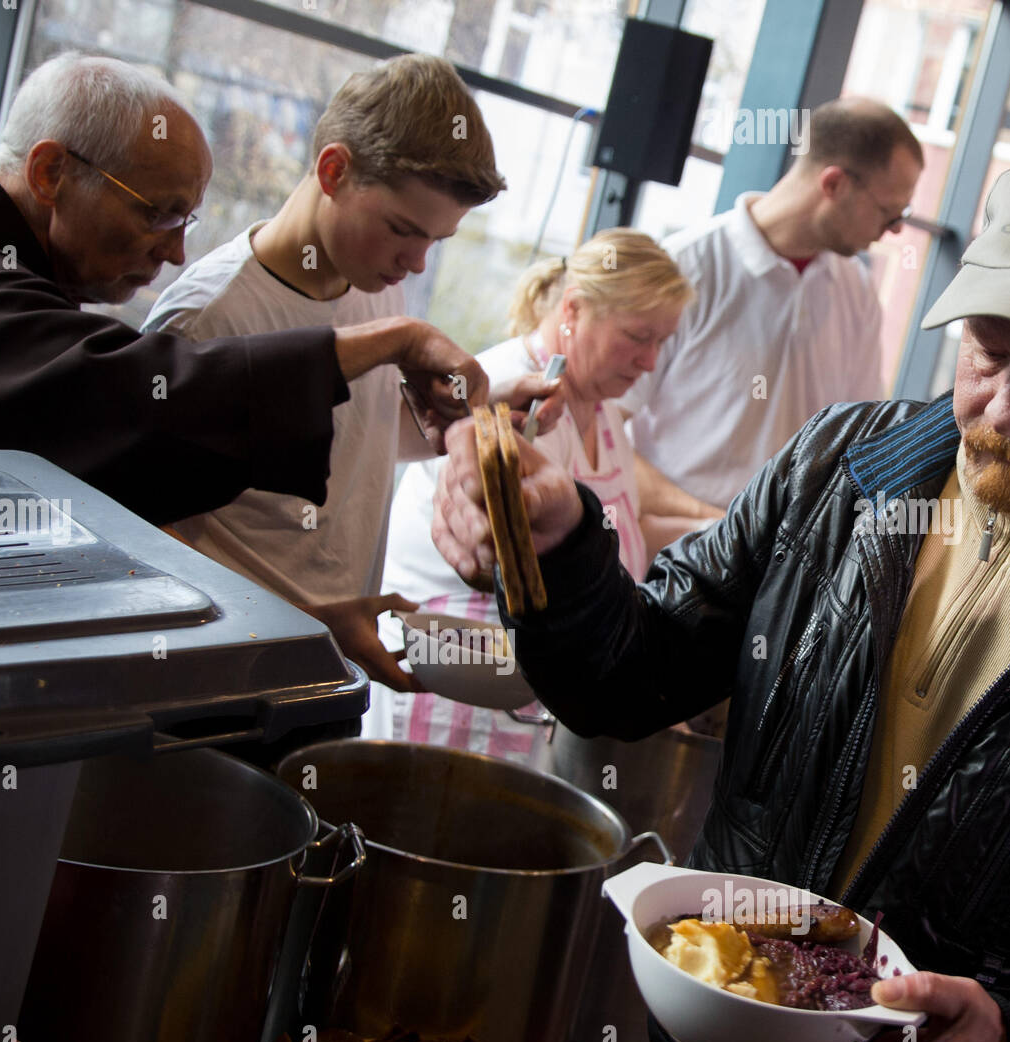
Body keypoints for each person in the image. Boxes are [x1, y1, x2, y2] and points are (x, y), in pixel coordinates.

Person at [431, 170, 1010, 1042]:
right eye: (988, 345)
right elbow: (632, 669)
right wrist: (555, 551)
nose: (1000, 407)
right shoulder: (843, 469)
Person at [0, 54, 486, 527]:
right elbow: (128, 401)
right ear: (50, 173)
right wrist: (394, 340)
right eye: (158, 215)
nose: (176, 253)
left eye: (184, 222)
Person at [142, 55, 548, 691]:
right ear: (333, 171)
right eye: (403, 231)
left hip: (326, 674)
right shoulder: (208, 318)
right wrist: (304, 622)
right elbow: (144, 550)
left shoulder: (371, 277)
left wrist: (468, 414)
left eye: (435, 243)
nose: (415, 264)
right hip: (218, 689)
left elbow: (341, 441)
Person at [371, 228, 722, 756]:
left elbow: (624, 531)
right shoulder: (516, 393)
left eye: (661, 341)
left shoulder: (602, 415)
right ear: (574, 310)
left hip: (538, 683)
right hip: (465, 675)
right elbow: (517, 557)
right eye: (637, 336)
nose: (650, 361)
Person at [622, 97, 923, 510]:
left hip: (778, 562)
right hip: (668, 552)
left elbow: (862, 442)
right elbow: (604, 433)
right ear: (833, 184)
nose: (895, 230)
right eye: (889, 212)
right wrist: (717, 530)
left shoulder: (856, 288)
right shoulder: (683, 267)